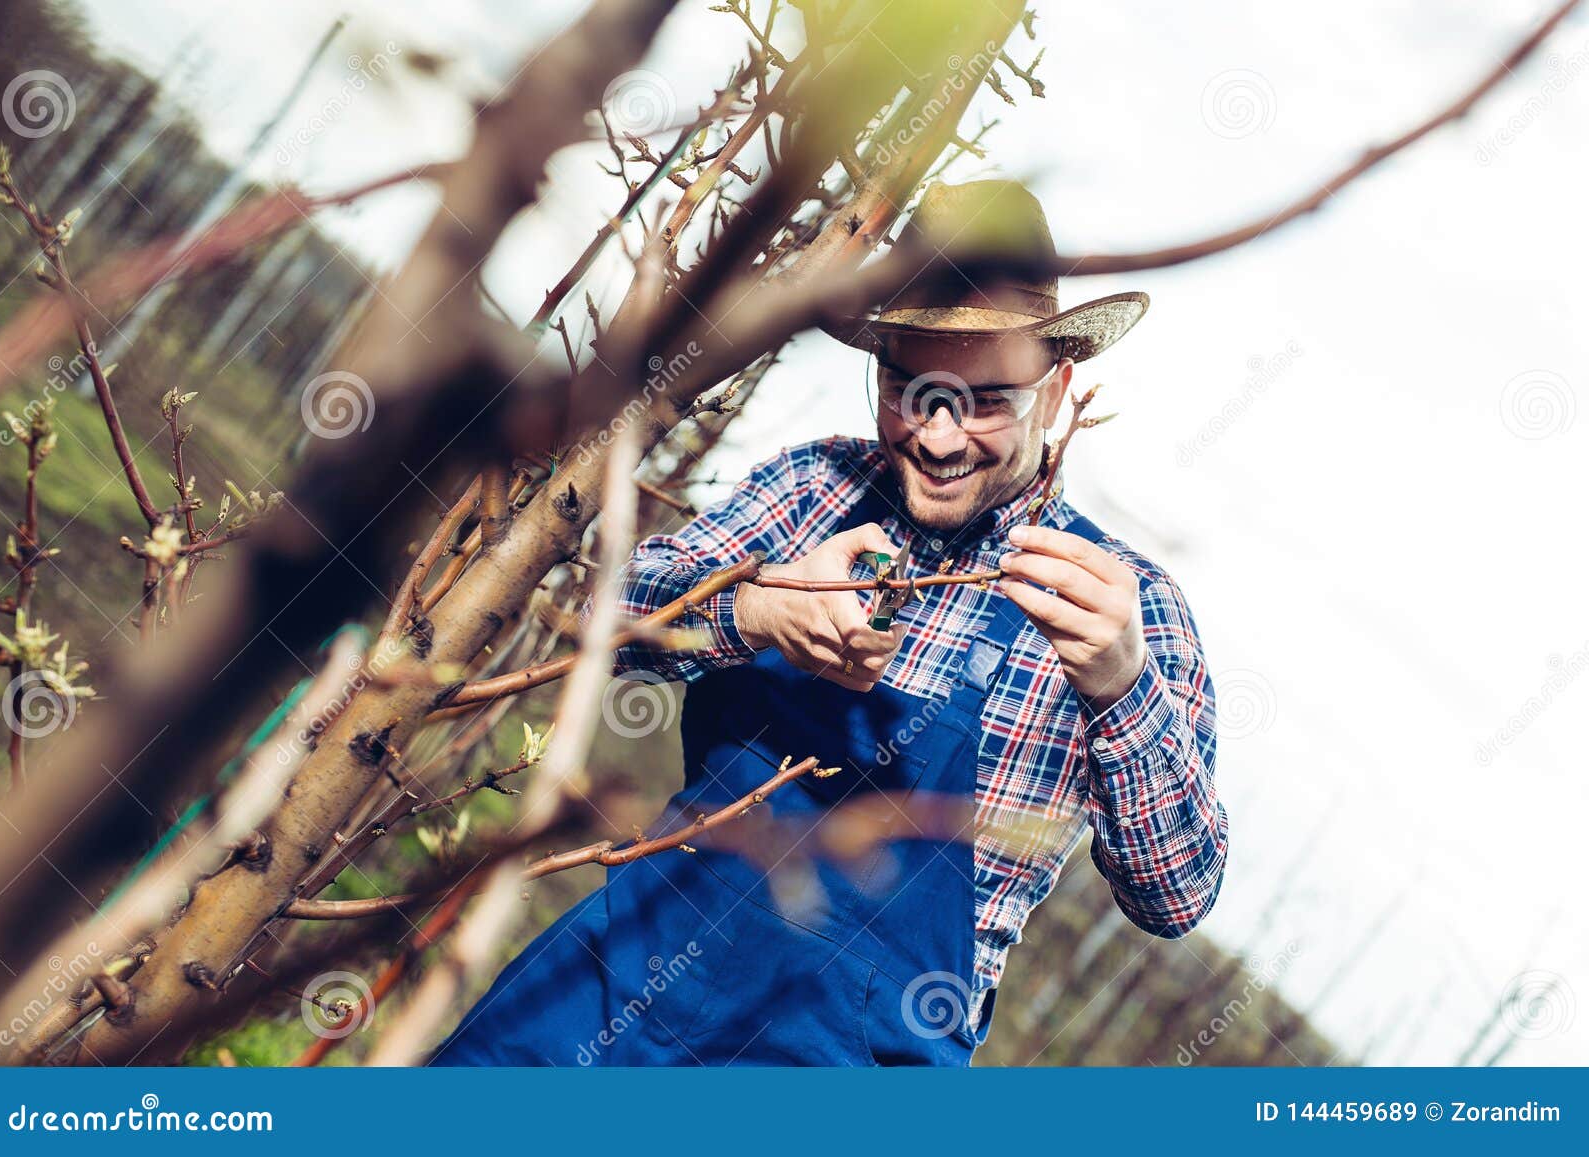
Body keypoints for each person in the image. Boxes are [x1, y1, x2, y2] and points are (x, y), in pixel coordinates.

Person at [434, 180, 1228, 1066]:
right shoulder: (816, 489)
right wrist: (755, 607)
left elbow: (1177, 895)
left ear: (1058, 387)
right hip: (623, 987)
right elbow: (587, 618)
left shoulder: (1130, 608)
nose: (936, 435)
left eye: (988, 399)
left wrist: (1123, 688)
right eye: (907, 386)